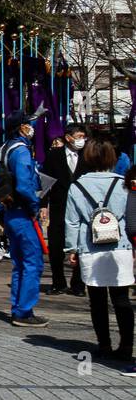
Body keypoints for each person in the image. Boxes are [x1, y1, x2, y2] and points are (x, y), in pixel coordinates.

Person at [64, 139, 132, 364]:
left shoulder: (77, 186)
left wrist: (71, 249)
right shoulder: (124, 183)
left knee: (97, 299)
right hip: (119, 246)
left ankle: (104, 344)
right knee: (121, 298)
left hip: (90, 247)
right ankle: (126, 346)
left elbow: (72, 221)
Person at [0, 111, 49, 327]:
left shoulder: (4, 148)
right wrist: (34, 204)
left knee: (19, 263)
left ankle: (18, 307)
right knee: (32, 262)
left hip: (11, 212)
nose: (32, 127)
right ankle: (24, 310)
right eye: (29, 123)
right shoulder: (21, 152)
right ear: (21, 127)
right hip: (23, 212)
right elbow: (23, 184)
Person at [44, 123, 88, 296]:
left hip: (82, 208)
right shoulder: (54, 155)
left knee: (81, 244)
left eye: (83, 137)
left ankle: (78, 284)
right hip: (59, 206)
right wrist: (42, 205)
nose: (81, 140)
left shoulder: (87, 155)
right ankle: (58, 282)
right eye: (78, 136)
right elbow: (45, 181)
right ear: (68, 137)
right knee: (56, 245)